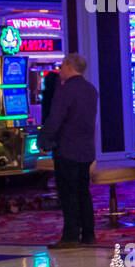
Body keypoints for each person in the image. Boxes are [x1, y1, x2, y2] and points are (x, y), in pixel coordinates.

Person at [38, 53, 98, 249]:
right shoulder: (91, 90)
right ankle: (88, 234)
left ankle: (71, 235)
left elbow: (56, 119)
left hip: (67, 148)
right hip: (86, 149)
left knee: (68, 193)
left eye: (62, 66)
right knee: (83, 192)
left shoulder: (65, 91)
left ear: (71, 66)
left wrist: (44, 140)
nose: (60, 70)